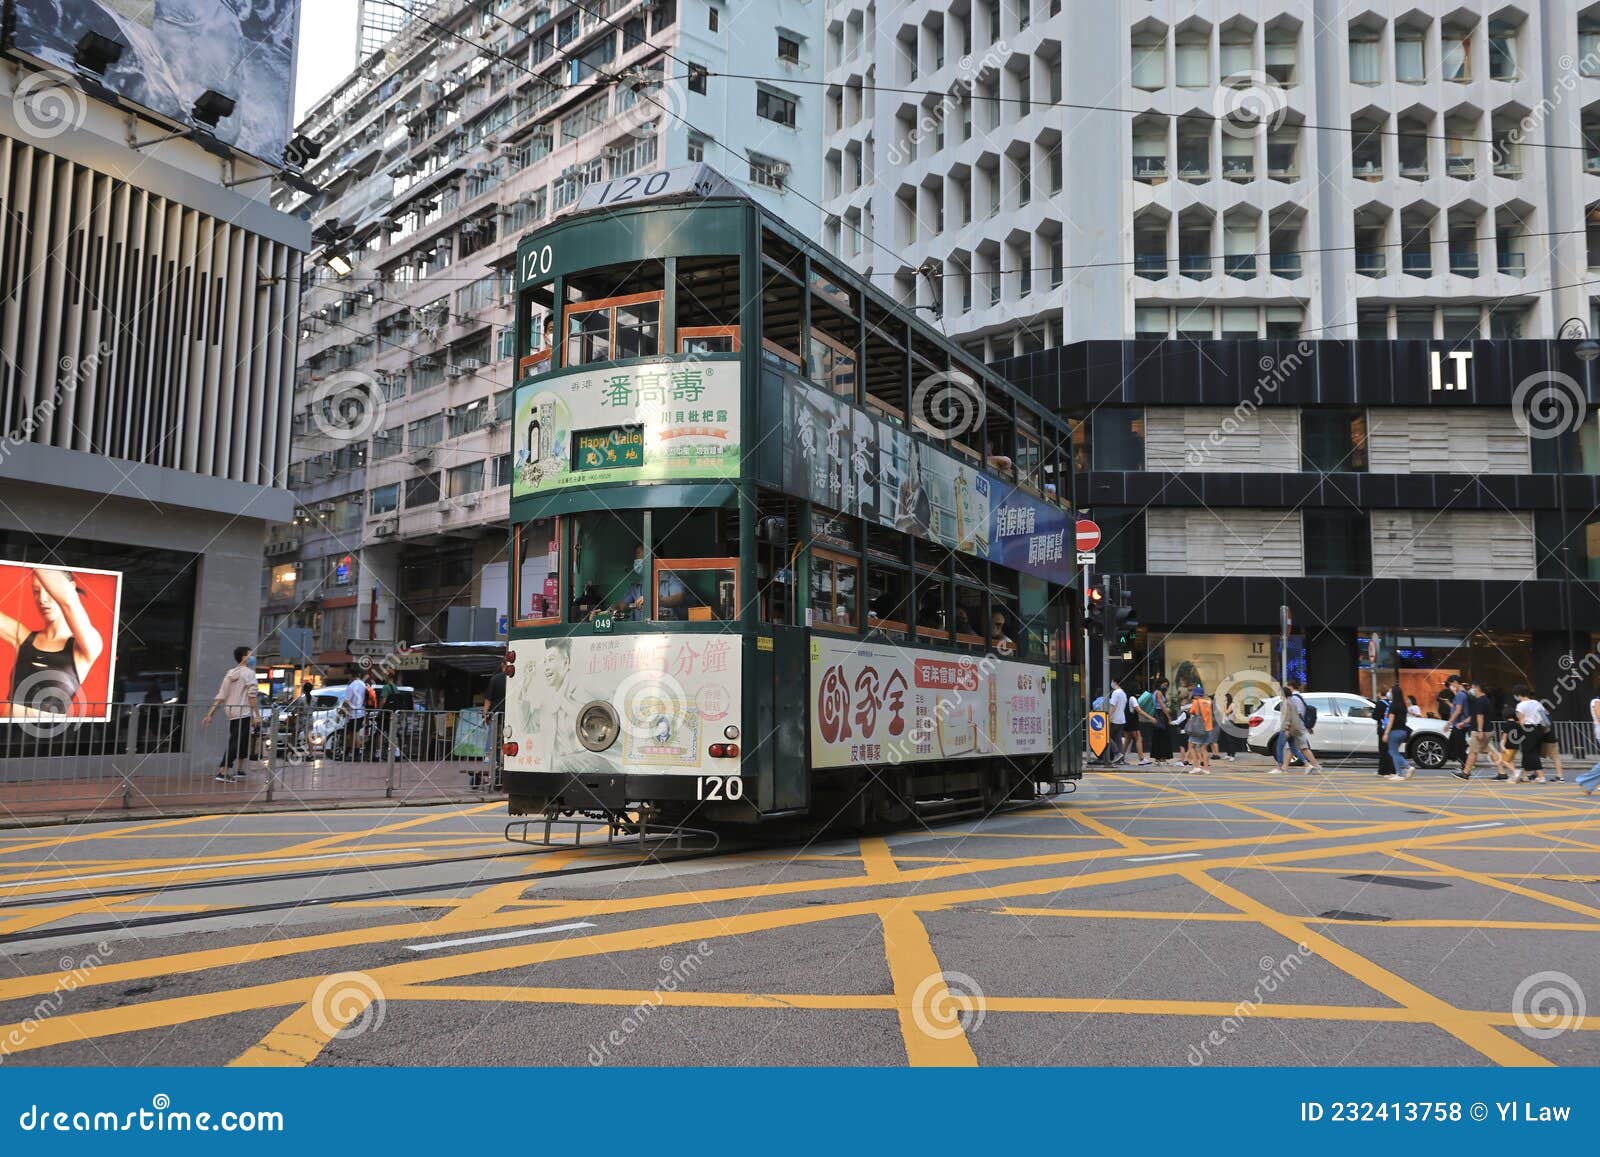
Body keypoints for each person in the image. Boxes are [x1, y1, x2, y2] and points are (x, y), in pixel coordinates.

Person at [0, 567, 106, 718]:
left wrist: (35, 559)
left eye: (49, 590)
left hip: (47, 733)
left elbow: (68, 602)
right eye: (36, 591)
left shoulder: (88, 644)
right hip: (6, 731)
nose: (42, 599)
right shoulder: (22, 638)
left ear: (70, 588)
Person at [202, 646, 258, 782]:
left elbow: (221, 695)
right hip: (244, 712)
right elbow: (252, 696)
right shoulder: (249, 673)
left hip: (232, 712)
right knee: (237, 741)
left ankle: (239, 769)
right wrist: (257, 715)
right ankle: (223, 771)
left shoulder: (230, 673)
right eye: (250, 655)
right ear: (244, 658)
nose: (253, 657)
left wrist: (210, 714)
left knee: (241, 740)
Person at [1274, 680, 1321, 774]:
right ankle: (1285, 767)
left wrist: (1288, 728)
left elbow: (1293, 714)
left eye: (1287, 686)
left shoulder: (1293, 699)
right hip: (1297, 726)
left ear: (1291, 687)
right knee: (1292, 748)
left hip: (1295, 727)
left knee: (1302, 747)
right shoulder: (1300, 697)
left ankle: (1315, 766)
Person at [1455, 680, 1496, 780]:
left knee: (1473, 752)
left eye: (1472, 687)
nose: (1471, 690)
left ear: (1477, 688)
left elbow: (1480, 716)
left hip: (1480, 731)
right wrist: (1463, 723)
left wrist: (1480, 730)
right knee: (1491, 752)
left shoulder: (1480, 701)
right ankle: (1502, 773)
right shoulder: (1484, 700)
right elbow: (1474, 716)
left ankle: (1466, 773)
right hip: (1487, 730)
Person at [1381, 684, 1413, 780]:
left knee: (1393, 752)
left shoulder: (1393, 705)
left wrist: (1386, 733)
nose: (1389, 693)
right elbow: (1405, 720)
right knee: (1394, 752)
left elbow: (1390, 721)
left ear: (1394, 693)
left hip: (1394, 732)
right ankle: (1400, 772)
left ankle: (1406, 768)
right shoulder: (1403, 705)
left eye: (1390, 692)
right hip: (1403, 732)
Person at [337, 672, 370, 760]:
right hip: (361, 712)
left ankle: (356, 754)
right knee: (352, 733)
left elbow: (346, 701)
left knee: (354, 734)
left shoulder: (351, 686)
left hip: (353, 714)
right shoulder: (363, 684)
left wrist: (340, 712)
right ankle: (349, 753)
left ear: (351, 676)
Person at [1183, 683, 1214, 774]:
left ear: (1196, 694)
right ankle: (1206, 769)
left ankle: (1196, 766)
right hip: (1208, 728)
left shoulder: (1196, 702)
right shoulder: (1208, 702)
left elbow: (1191, 712)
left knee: (1191, 746)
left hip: (1198, 728)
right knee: (1204, 749)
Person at [1443, 676, 1471, 768]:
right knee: (1455, 748)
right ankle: (1465, 767)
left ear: (1455, 682)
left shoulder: (1460, 695)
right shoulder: (1463, 693)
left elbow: (1458, 711)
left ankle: (1466, 768)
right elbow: (1456, 708)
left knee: (1458, 749)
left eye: (1451, 684)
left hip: (1460, 725)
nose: (1451, 686)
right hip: (1460, 724)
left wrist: (1448, 723)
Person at [1149, 678, 1175, 766]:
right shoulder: (1159, 693)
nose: (1165, 686)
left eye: (1167, 685)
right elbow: (1162, 706)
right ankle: (1163, 758)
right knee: (1164, 736)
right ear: (1160, 684)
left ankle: (1157, 758)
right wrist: (1169, 717)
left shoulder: (1155, 692)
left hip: (1156, 715)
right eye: (1164, 684)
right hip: (1161, 715)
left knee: (1157, 736)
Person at [1105, 677, 1129, 765]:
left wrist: (1109, 717)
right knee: (1118, 739)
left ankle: (1117, 753)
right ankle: (1121, 759)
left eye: (1112, 681)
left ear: (1115, 682)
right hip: (1122, 719)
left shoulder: (1115, 693)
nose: (1111, 683)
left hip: (1115, 719)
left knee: (1106, 737)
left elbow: (1113, 706)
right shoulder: (1123, 693)